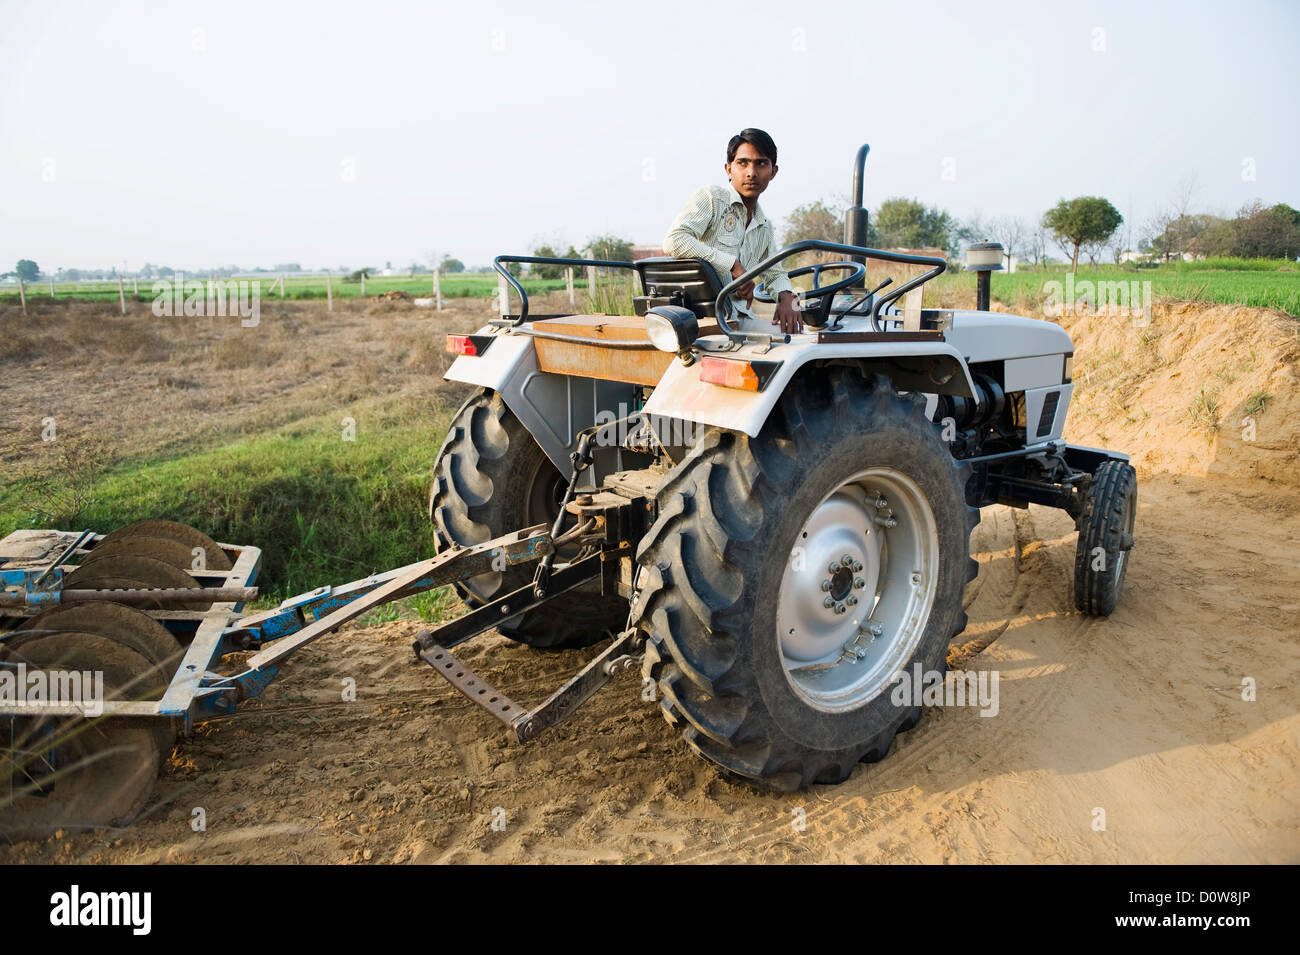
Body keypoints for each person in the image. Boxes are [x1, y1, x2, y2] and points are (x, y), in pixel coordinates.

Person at [663, 128, 802, 335]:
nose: (751, 173)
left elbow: (774, 272)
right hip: (707, 320)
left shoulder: (763, 225)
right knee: (800, 341)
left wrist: (787, 296)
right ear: (729, 169)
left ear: (773, 172)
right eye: (743, 163)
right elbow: (674, 240)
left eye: (761, 163)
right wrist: (732, 265)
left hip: (739, 320)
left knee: (798, 333)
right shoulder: (711, 199)